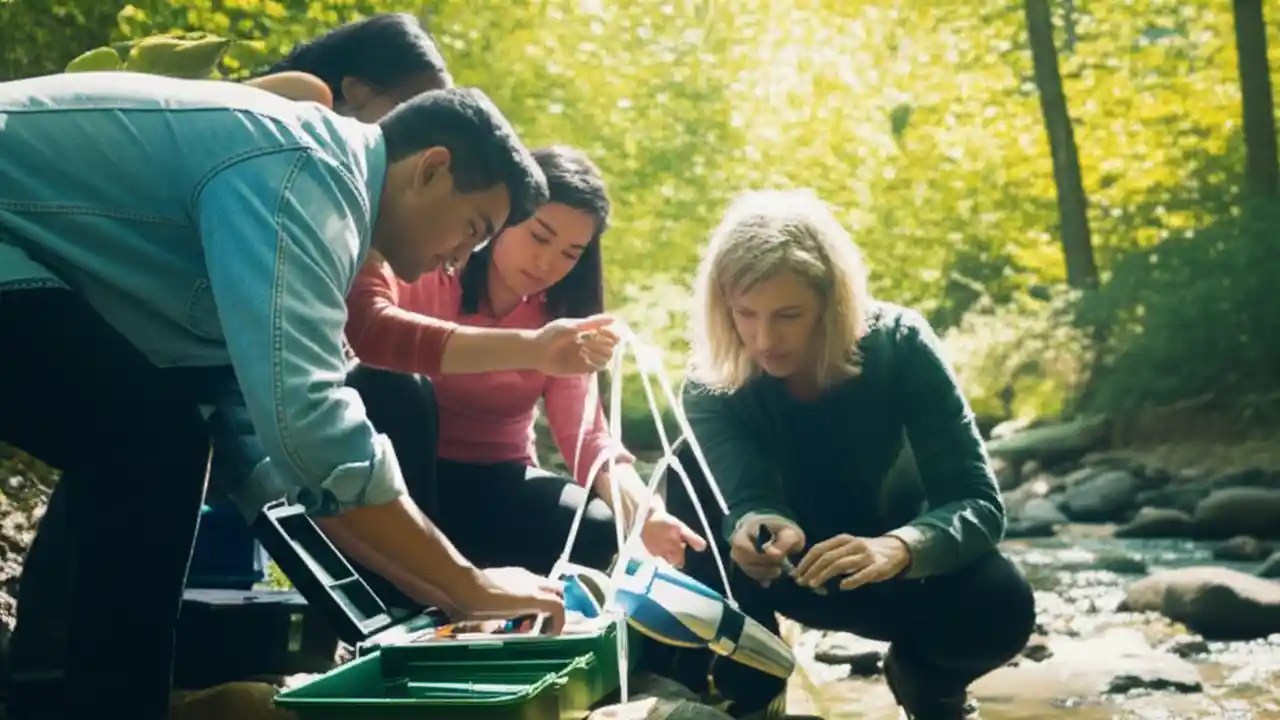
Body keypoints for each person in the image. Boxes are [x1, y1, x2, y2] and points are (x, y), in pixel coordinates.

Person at [0, 71, 611, 719]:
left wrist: (446, 598)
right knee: (148, 440)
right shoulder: (310, 179)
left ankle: (70, 698)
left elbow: (261, 442)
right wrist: (471, 581)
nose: (461, 259)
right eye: (471, 228)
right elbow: (316, 431)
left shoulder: (320, 185)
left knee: (162, 438)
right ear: (431, 170)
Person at [646, 190, 1035, 720]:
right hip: (777, 576)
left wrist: (898, 548)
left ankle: (925, 680)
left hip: (895, 577)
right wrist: (754, 525)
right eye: (745, 315)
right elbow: (747, 494)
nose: (764, 339)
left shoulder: (900, 346)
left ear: (830, 304)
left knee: (1003, 602)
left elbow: (978, 503)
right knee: (683, 467)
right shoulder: (712, 382)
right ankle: (743, 690)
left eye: (788, 315)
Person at [347, 145, 707, 575]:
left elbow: (588, 437)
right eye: (539, 236)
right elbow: (365, 333)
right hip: (402, 476)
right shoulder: (430, 264)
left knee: (593, 526)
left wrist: (646, 513)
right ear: (504, 218)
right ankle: (402, 595)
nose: (546, 263)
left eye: (570, 254)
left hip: (495, 480)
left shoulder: (561, 322)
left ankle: (515, 626)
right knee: (395, 387)